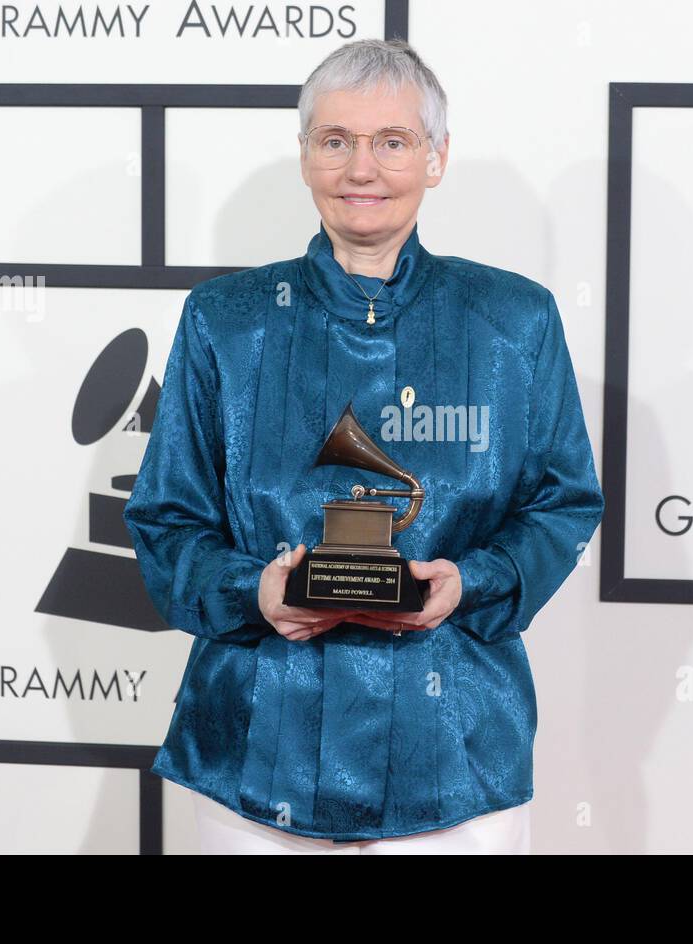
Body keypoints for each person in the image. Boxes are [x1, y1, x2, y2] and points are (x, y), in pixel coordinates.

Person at [122, 38, 604, 853]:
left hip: (455, 758)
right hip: (252, 752)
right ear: (305, 156)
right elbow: (167, 521)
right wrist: (256, 594)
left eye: (392, 141)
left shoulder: (517, 319)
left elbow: (563, 502)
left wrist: (471, 581)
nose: (361, 169)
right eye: (335, 141)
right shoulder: (225, 320)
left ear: (437, 158)